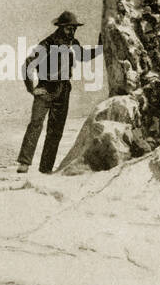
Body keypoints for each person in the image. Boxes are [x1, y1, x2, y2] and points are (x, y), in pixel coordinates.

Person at [16, 11, 103, 174]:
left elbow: (83, 56)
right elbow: (27, 65)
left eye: (74, 29)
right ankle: (24, 164)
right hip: (45, 89)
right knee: (35, 124)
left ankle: (46, 168)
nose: (72, 32)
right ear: (61, 28)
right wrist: (32, 89)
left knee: (56, 130)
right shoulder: (46, 44)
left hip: (63, 90)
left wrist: (100, 48)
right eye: (69, 29)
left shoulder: (73, 43)